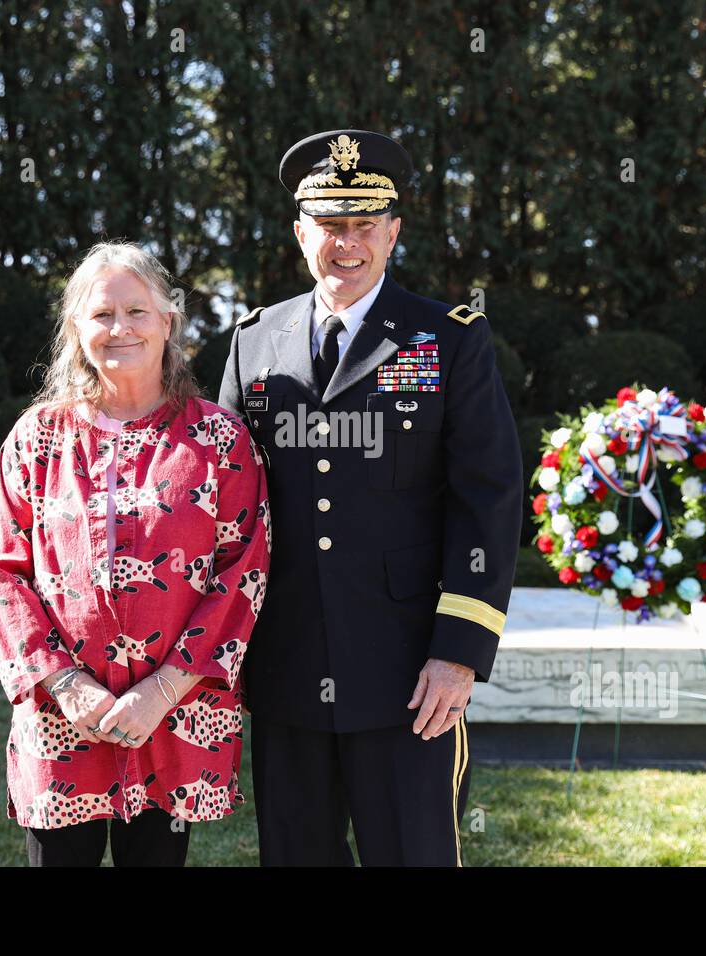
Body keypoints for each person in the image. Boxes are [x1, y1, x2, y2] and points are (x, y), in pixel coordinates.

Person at [218, 129, 523, 866]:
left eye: (363, 226)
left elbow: (488, 496)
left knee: (412, 853)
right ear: (300, 233)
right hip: (285, 666)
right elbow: (222, 503)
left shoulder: (447, 339)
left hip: (407, 673)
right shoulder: (253, 342)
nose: (345, 244)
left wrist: (459, 652)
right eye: (329, 225)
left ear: (392, 232)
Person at [0, 241, 270, 866]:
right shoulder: (36, 438)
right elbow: (2, 571)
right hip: (63, 717)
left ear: (169, 320)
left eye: (136, 311)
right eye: (101, 314)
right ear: (76, 328)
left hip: (176, 712)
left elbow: (243, 571)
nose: (120, 329)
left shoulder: (220, 440)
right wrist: (66, 685)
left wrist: (163, 691)